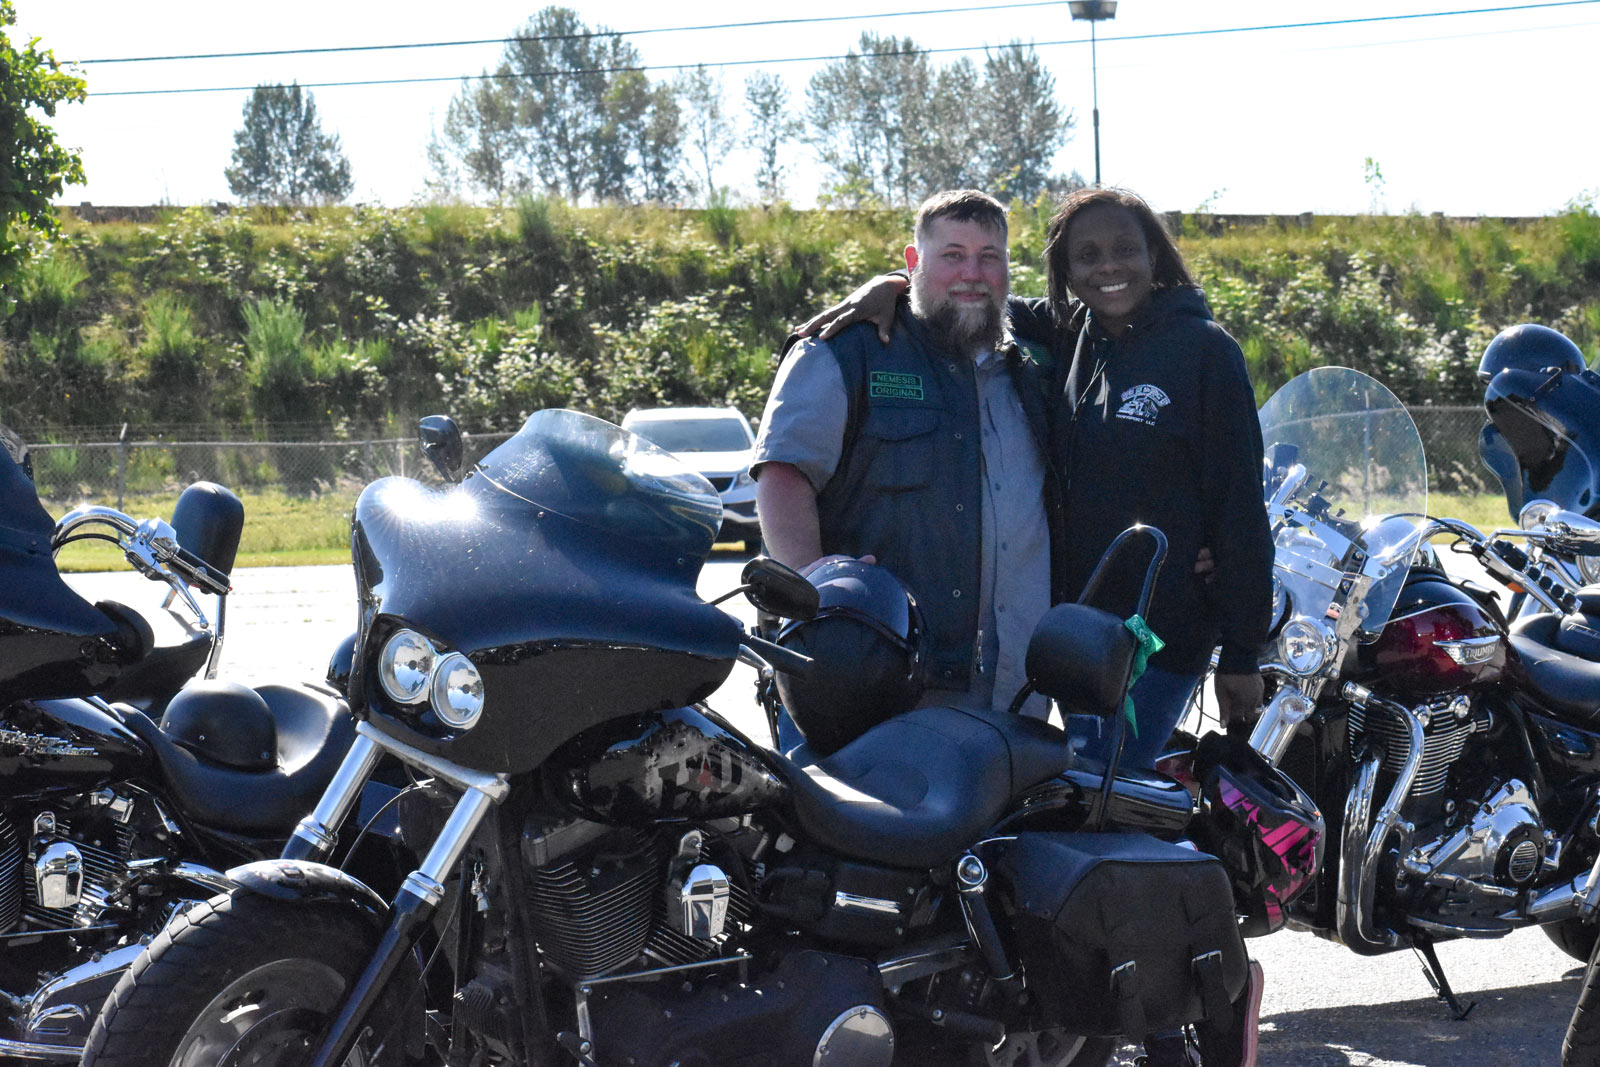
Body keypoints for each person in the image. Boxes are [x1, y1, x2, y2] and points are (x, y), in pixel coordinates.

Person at [795, 186, 1274, 771]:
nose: (1108, 268)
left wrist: (1243, 654)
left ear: (1155, 253)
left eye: (1125, 249)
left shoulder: (1206, 352)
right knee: (1068, 804)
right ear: (1066, 273)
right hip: (1071, 645)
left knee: (1108, 803)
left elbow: (1242, 507)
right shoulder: (1072, 335)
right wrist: (893, 284)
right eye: (1087, 256)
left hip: (1158, 642)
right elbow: (967, 297)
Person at [751, 189, 1064, 726]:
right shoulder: (843, 351)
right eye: (953, 255)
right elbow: (783, 475)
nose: (973, 272)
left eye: (990, 257)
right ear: (913, 262)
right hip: (875, 679)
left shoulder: (1035, 369)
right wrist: (817, 594)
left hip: (1017, 688)